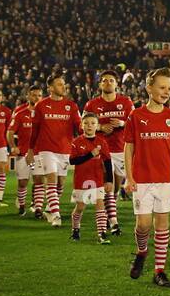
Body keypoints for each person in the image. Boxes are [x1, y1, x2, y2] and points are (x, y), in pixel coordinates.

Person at [125, 68, 170, 286]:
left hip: (166, 179)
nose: (166, 91)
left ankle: (159, 271)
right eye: (162, 87)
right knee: (143, 225)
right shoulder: (136, 115)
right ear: (149, 88)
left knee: (162, 224)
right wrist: (129, 177)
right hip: (142, 179)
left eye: (169, 88)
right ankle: (142, 252)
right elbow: (129, 147)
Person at [27, 73, 81, 228]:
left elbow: (78, 126)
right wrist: (31, 149)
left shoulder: (71, 106)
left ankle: (50, 209)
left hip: (64, 149)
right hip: (46, 149)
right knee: (51, 179)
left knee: (60, 183)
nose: (63, 87)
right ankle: (56, 215)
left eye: (63, 84)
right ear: (50, 88)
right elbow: (35, 130)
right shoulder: (41, 105)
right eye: (59, 84)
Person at [84, 71, 135, 234]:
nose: (107, 83)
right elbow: (81, 125)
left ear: (116, 84)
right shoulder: (91, 105)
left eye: (111, 80)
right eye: (104, 80)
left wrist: (122, 123)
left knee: (114, 188)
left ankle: (107, 213)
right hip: (102, 150)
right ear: (100, 85)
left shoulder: (126, 102)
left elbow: (134, 124)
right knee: (109, 184)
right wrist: (99, 127)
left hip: (121, 150)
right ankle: (111, 220)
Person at [67, 112, 111, 243]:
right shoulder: (76, 142)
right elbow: (72, 161)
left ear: (97, 126)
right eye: (86, 123)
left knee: (100, 205)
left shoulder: (101, 142)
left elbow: (108, 161)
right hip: (82, 179)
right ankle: (75, 229)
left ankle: (102, 234)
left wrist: (109, 180)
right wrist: (90, 155)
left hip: (97, 179)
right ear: (81, 125)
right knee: (80, 207)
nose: (89, 126)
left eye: (92, 123)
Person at [7, 85, 41, 216]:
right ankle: (21, 205)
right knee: (23, 183)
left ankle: (38, 209)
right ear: (28, 96)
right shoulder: (20, 114)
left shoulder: (44, 114)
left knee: (38, 181)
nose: (36, 98)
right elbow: (10, 132)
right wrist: (13, 146)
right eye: (34, 95)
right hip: (23, 153)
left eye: (39, 95)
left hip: (39, 154)